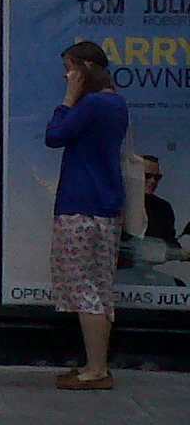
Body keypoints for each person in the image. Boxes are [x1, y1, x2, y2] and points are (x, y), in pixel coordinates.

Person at [45, 40, 128, 391]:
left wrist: (67, 99)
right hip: (106, 205)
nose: (66, 76)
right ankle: (97, 363)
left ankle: (95, 369)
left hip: (80, 204)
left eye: (70, 69)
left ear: (83, 69)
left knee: (82, 287)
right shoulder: (116, 103)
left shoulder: (91, 104)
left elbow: (54, 136)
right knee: (100, 285)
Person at [142, 156, 178, 245]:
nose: (153, 181)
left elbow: (169, 240)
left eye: (157, 177)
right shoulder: (120, 204)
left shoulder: (163, 207)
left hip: (153, 257)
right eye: (147, 176)